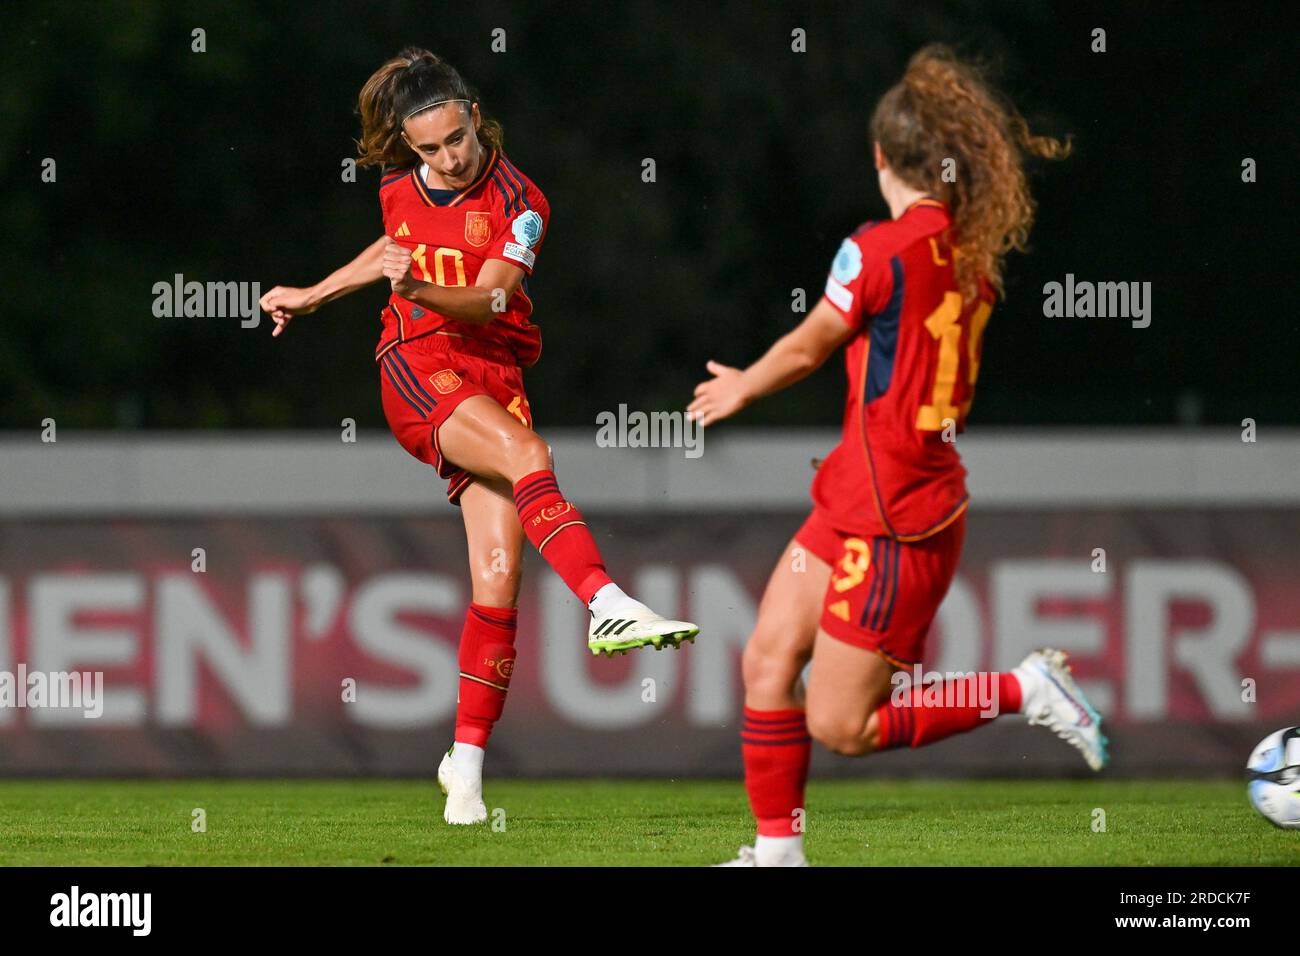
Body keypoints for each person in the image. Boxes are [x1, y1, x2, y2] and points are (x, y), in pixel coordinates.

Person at [689, 45, 1105, 867]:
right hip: (860, 495)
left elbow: (813, 345)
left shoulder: (879, 249)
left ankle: (1023, 688)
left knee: (843, 726)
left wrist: (744, 386)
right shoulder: (973, 254)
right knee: (768, 657)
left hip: (896, 521)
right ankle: (777, 857)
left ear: (880, 157)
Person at [259, 48, 698, 826]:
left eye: (454, 139)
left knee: (498, 583)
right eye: (429, 148)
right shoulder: (400, 185)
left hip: (492, 375)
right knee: (532, 457)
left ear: (473, 115)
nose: (446, 158)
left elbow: (495, 300)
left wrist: (414, 282)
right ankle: (606, 604)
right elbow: (389, 251)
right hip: (417, 365)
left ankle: (463, 771)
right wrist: (317, 295)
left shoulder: (522, 202)